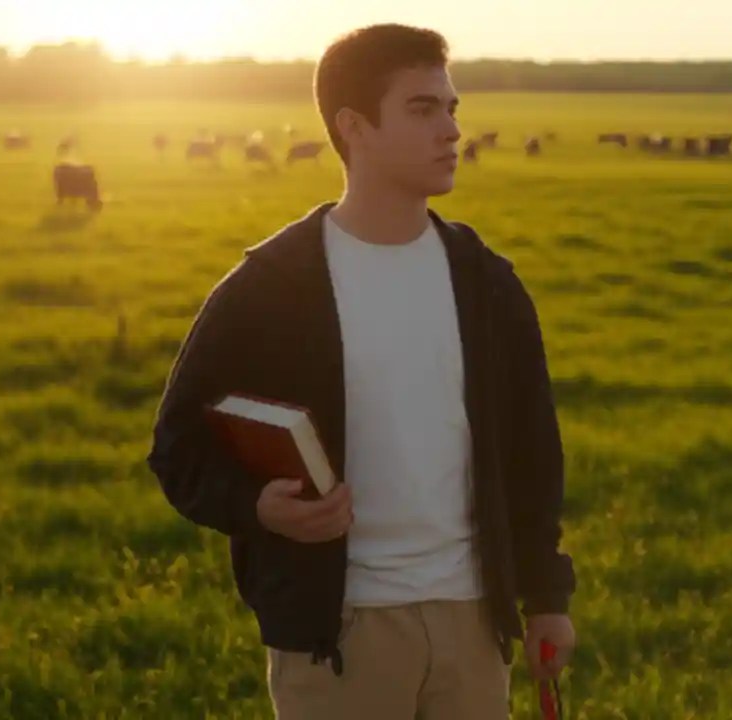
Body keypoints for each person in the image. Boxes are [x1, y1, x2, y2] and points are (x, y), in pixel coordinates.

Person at [147, 23, 576, 719]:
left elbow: (534, 456)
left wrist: (548, 599)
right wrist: (260, 508)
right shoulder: (272, 286)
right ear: (354, 127)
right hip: (339, 638)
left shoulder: (487, 283)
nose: (451, 130)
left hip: (473, 626)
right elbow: (177, 448)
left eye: (452, 108)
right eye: (422, 108)